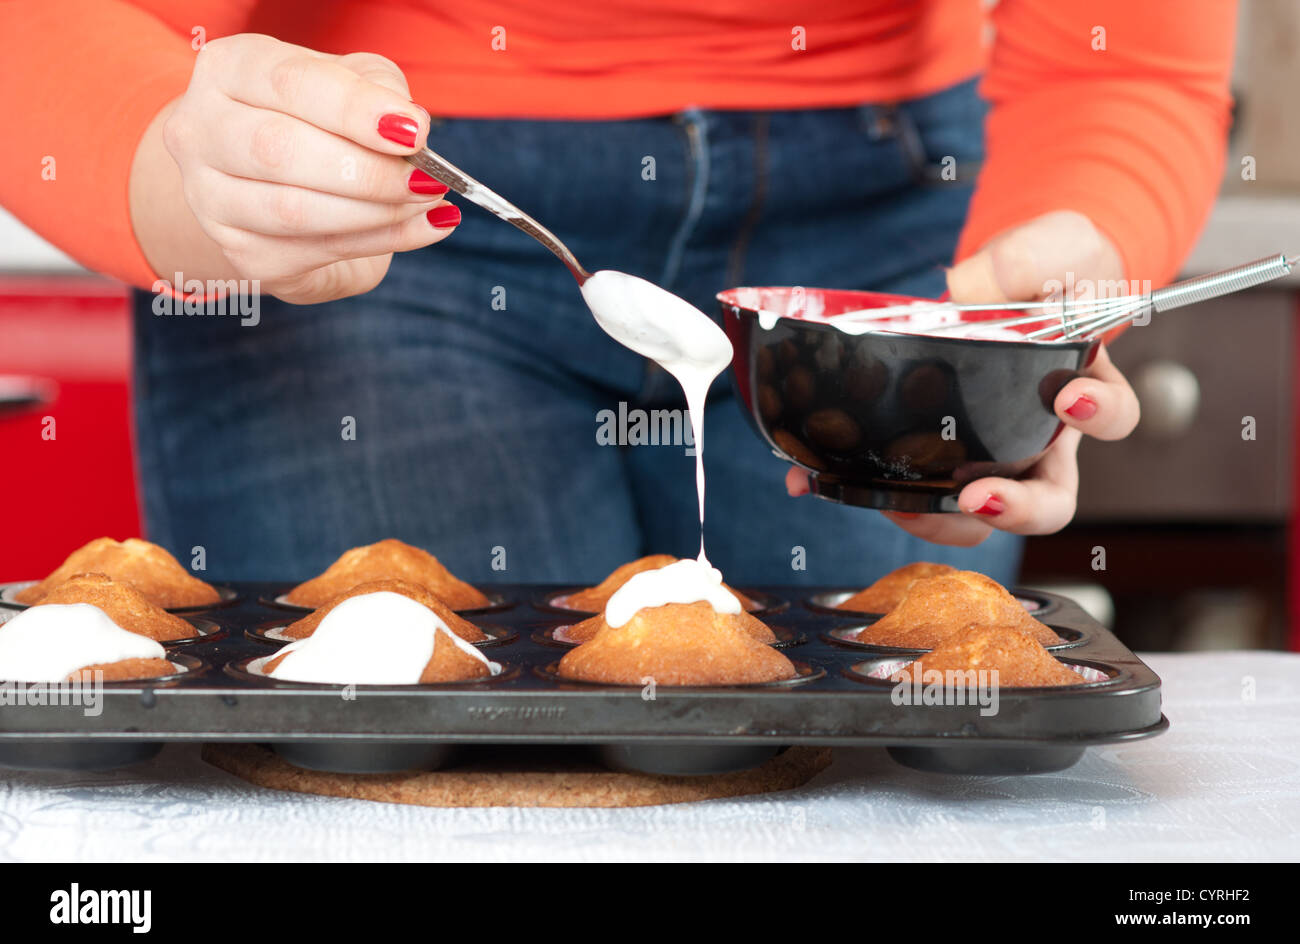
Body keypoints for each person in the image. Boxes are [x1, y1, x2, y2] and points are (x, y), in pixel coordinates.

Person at [0, 1, 1234, 585]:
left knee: (879, 781)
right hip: (388, 188)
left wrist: (1058, 265)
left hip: (881, 220)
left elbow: (1118, 63)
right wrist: (185, 169)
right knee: (421, 779)